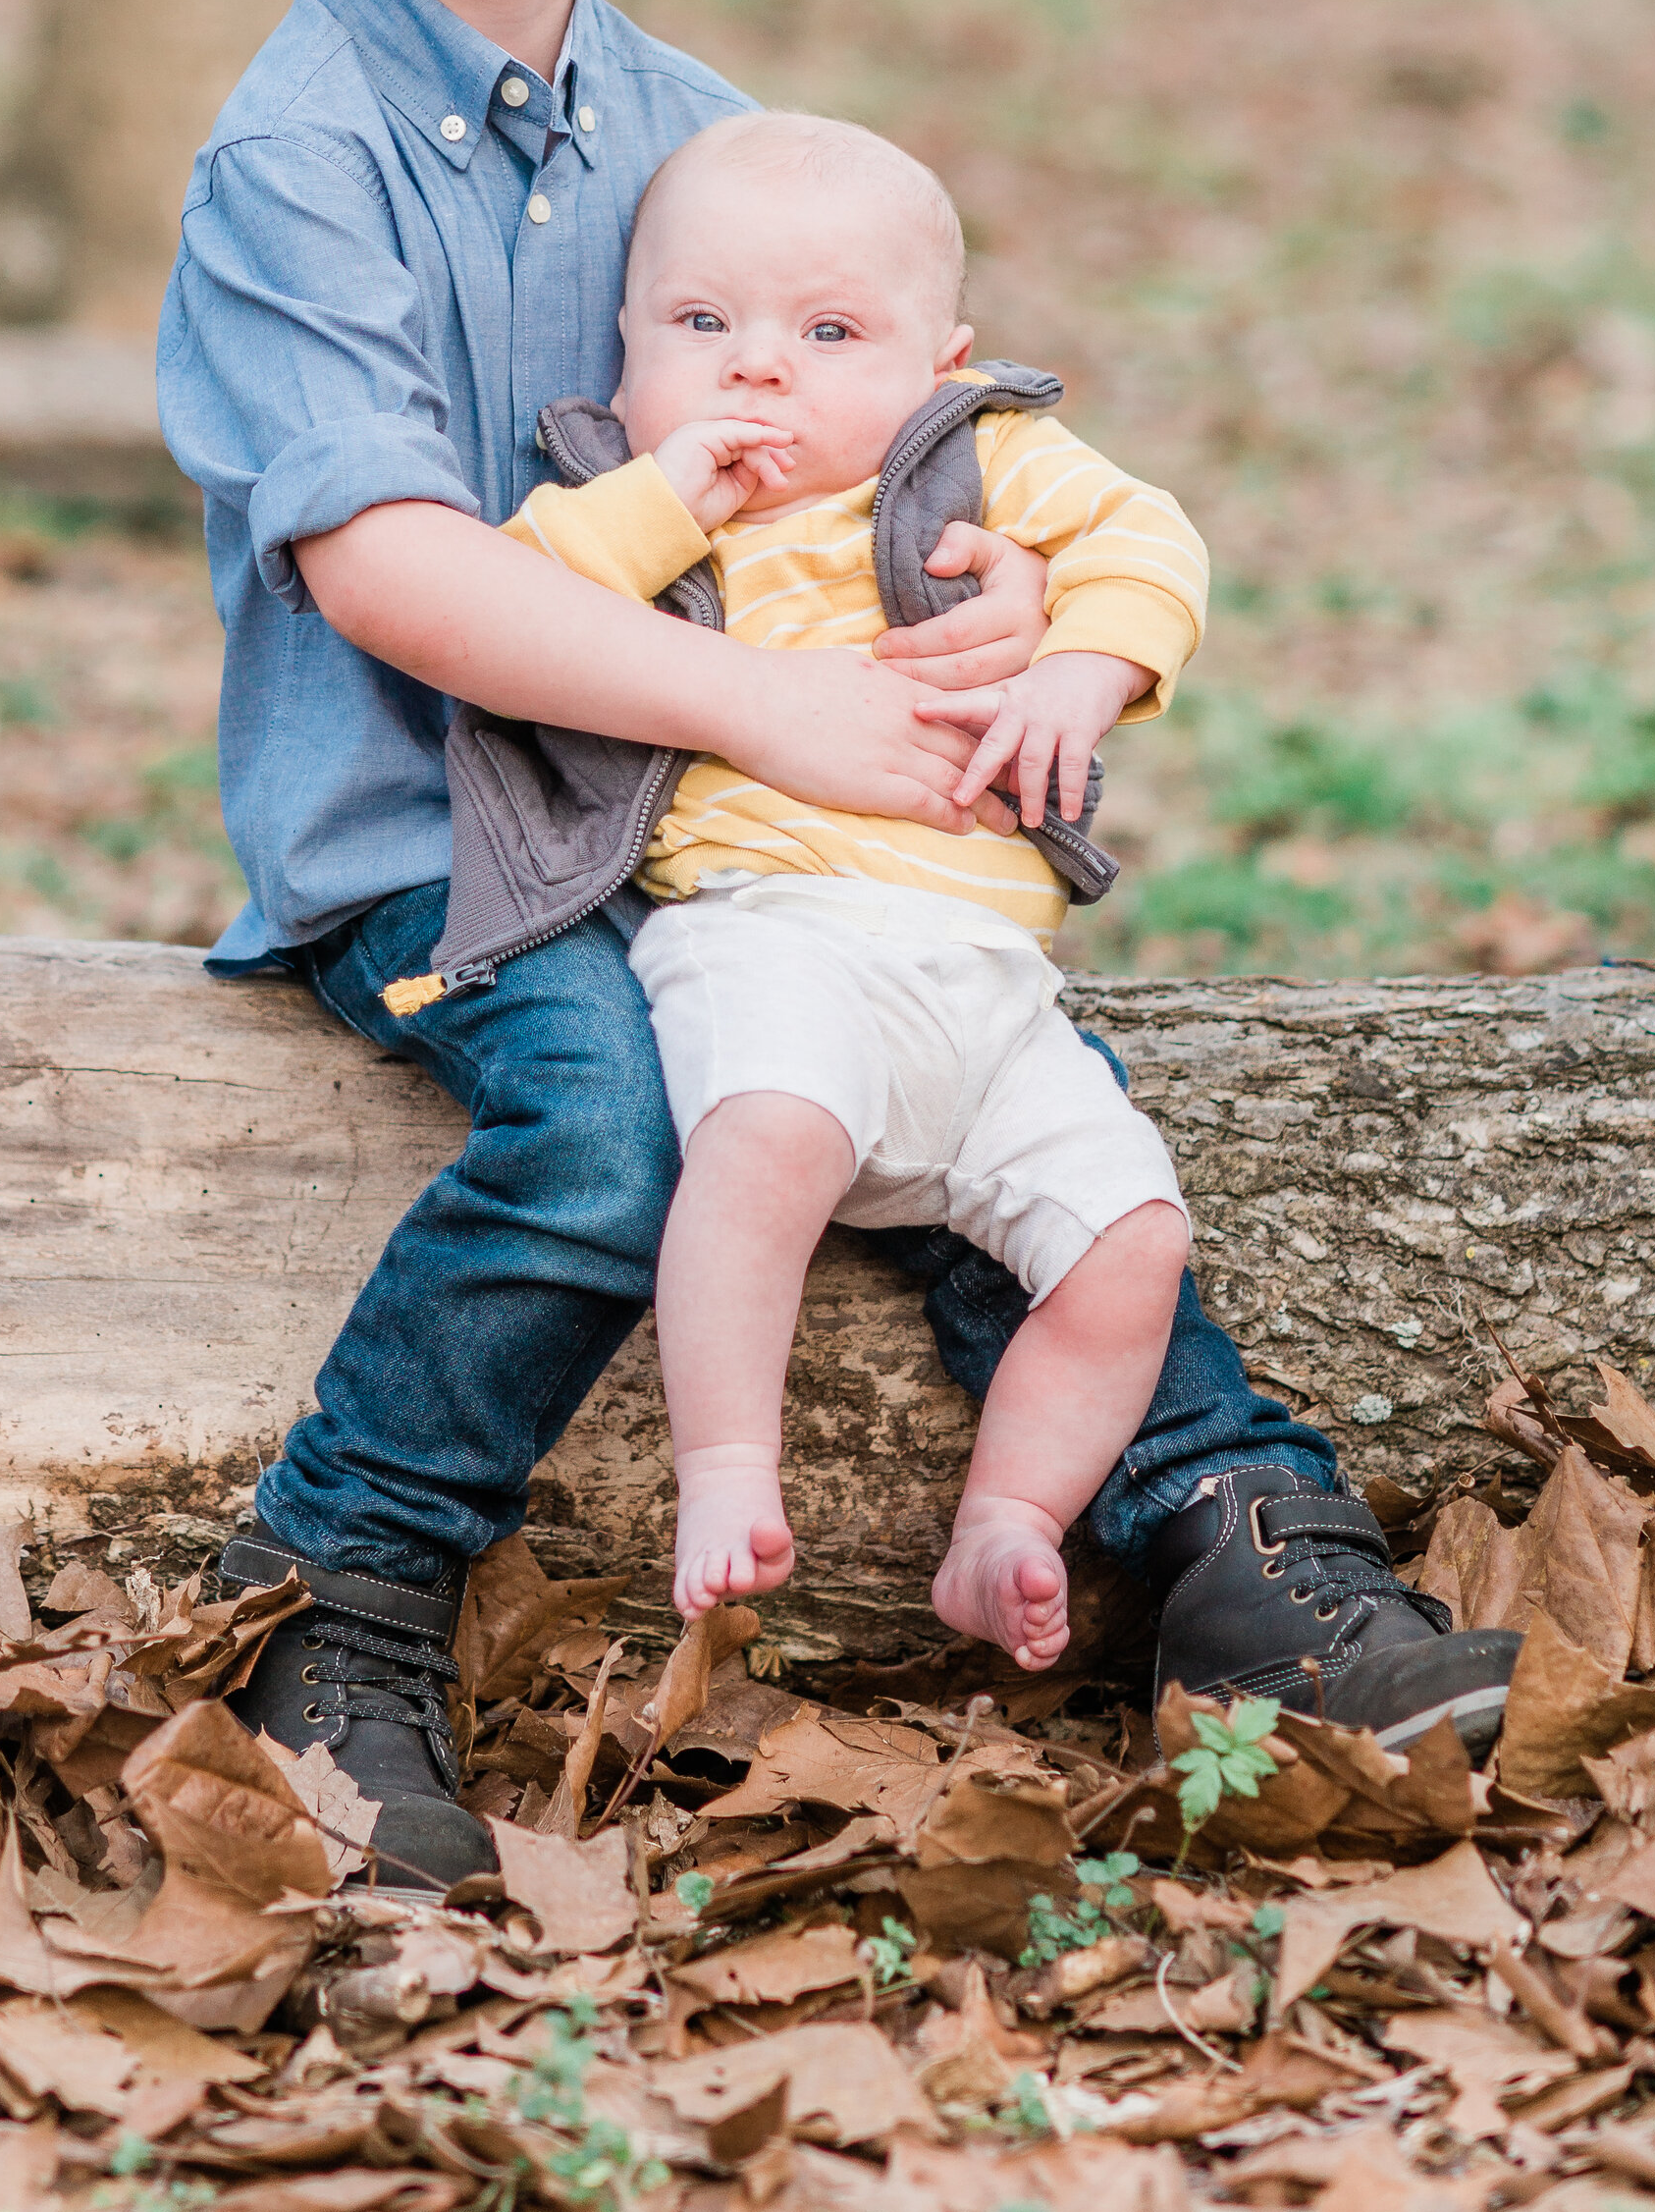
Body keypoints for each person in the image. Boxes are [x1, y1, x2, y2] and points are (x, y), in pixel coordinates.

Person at [157, 0, 1521, 1892]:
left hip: (740, 846)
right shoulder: (294, 160)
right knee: (610, 1143)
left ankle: (1223, 1535)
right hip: (452, 847)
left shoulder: (722, 149)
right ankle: (334, 1595)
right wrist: (769, 712)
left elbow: (915, 473)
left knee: (987, 1080)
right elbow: (383, 568)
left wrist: (990, 616)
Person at [468, 106, 1194, 1671]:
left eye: (830, 329)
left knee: (1133, 1237)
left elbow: (1153, 537)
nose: (758, 366)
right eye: (701, 322)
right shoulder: (620, 502)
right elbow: (516, 612)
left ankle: (1011, 1514)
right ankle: (727, 1469)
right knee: (762, 1142)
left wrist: (1082, 658)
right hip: (771, 936)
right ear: (626, 341)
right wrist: (666, 494)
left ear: (941, 360)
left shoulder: (977, 460)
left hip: (990, 987)